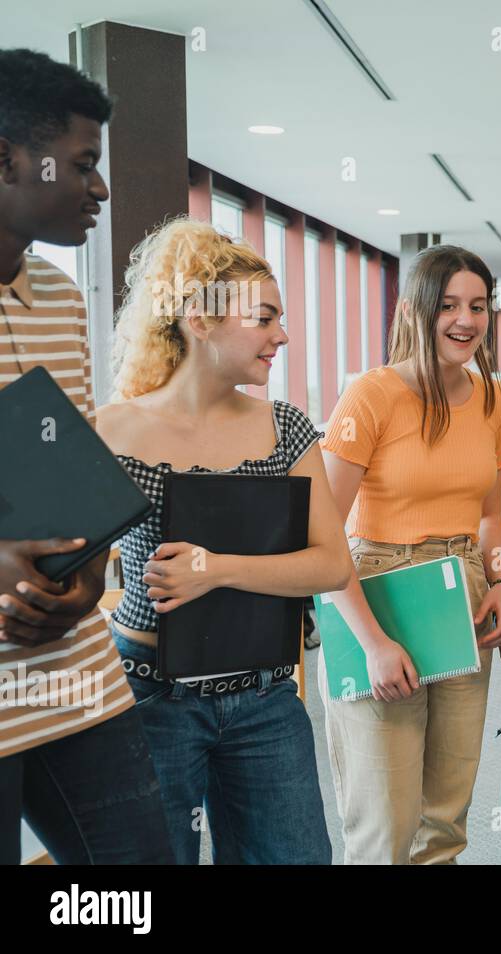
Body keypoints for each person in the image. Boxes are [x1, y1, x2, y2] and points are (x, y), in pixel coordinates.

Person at [96, 217, 350, 864]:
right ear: (199, 320)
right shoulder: (112, 431)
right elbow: (66, 571)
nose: (283, 335)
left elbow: (330, 564)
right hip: (150, 697)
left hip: (264, 697)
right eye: (264, 319)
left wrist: (216, 569)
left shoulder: (287, 429)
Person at [0, 47, 172, 865]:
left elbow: (73, 472)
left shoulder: (63, 301)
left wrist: (94, 577)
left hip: (73, 669)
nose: (100, 188)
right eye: (81, 165)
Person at [320, 244, 501, 864]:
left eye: (478, 306)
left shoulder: (492, 400)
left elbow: (490, 515)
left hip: (461, 595)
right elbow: (320, 530)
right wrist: (374, 644)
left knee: (446, 817)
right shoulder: (371, 396)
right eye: (450, 305)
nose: (466, 320)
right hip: (378, 590)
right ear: (415, 310)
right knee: (385, 823)